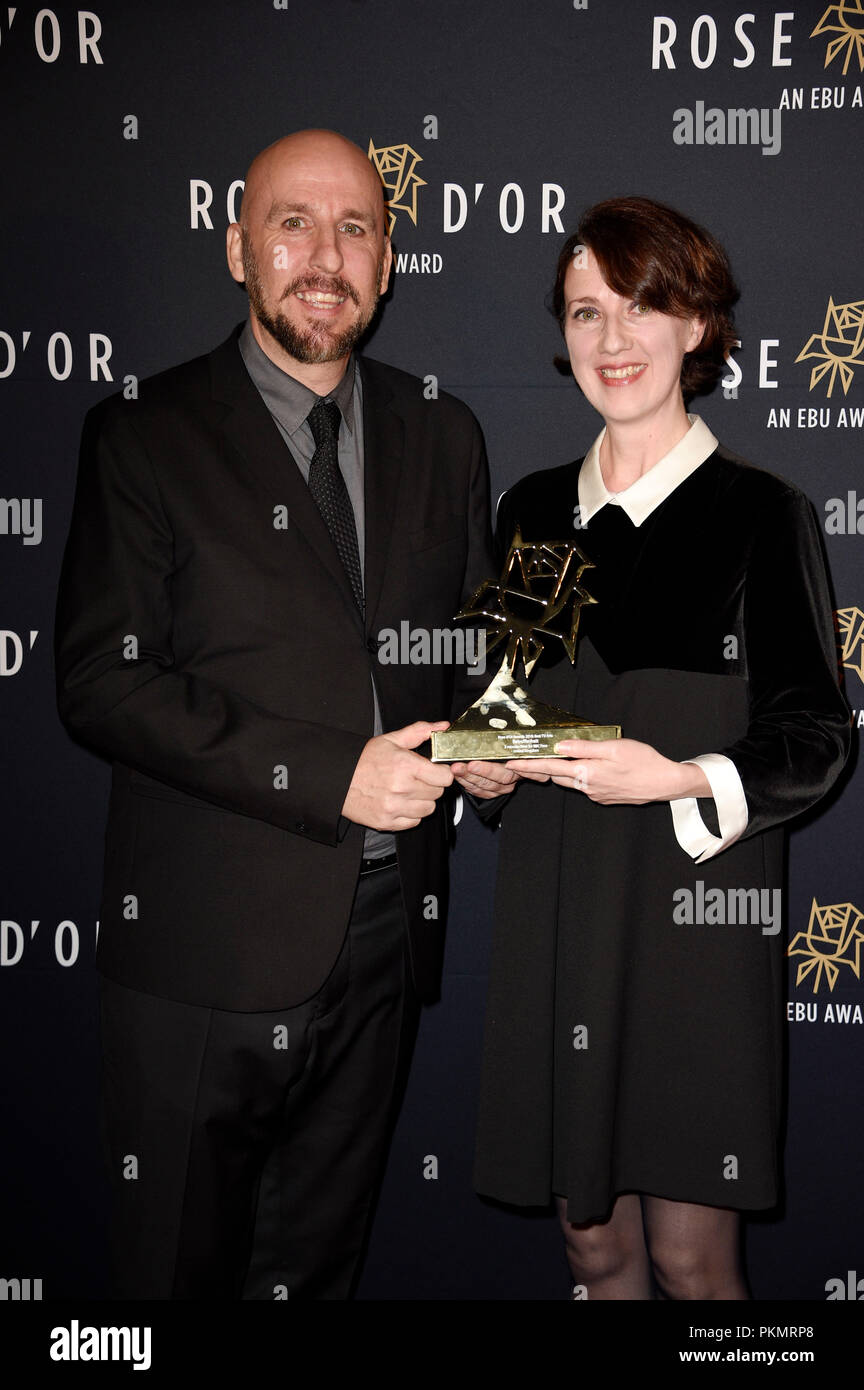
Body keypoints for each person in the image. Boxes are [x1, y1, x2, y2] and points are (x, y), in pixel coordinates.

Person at [55, 129, 514, 1300]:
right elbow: (103, 681)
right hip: (203, 952)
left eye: (355, 228)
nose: (325, 256)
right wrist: (331, 773)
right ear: (236, 249)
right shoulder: (144, 432)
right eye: (292, 224)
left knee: (316, 1274)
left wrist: (492, 747)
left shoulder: (443, 431)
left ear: (389, 261)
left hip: (384, 942)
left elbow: (464, 655)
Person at [473, 196, 850, 1300]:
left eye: (642, 305)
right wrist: (484, 767)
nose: (613, 337)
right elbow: (506, 699)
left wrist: (679, 775)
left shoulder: (762, 513)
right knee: (593, 1249)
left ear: (696, 325)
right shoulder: (536, 510)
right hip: (559, 911)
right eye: (586, 311)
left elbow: (817, 734)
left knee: (694, 1259)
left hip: (694, 927)